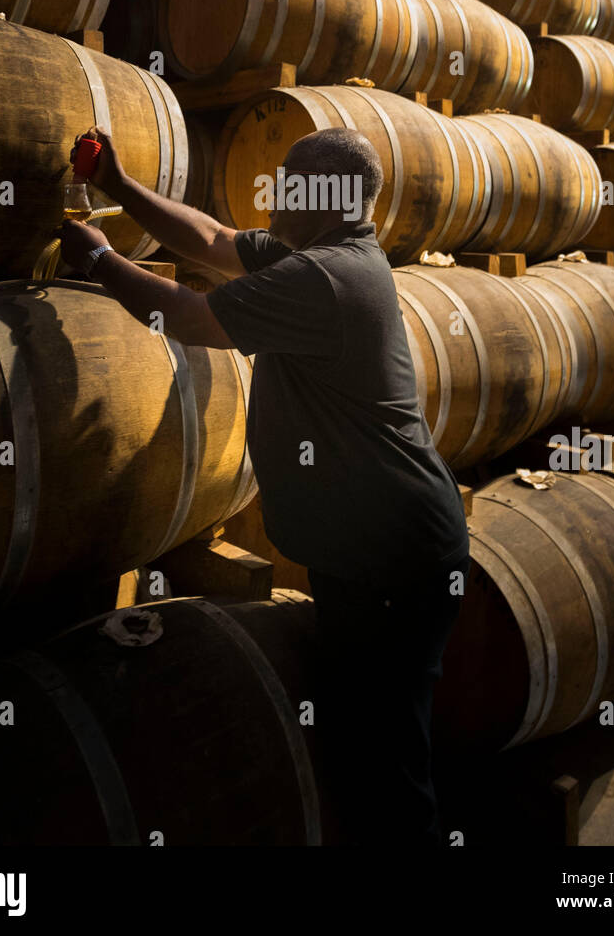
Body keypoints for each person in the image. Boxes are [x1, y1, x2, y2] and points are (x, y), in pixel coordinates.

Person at [60, 124, 471, 847]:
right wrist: (119, 188)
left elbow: (189, 317)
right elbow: (215, 241)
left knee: (388, 768)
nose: (274, 192)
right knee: (366, 743)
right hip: (375, 551)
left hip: (395, 562)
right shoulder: (317, 254)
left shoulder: (326, 277)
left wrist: (100, 260)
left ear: (328, 196)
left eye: (290, 181)